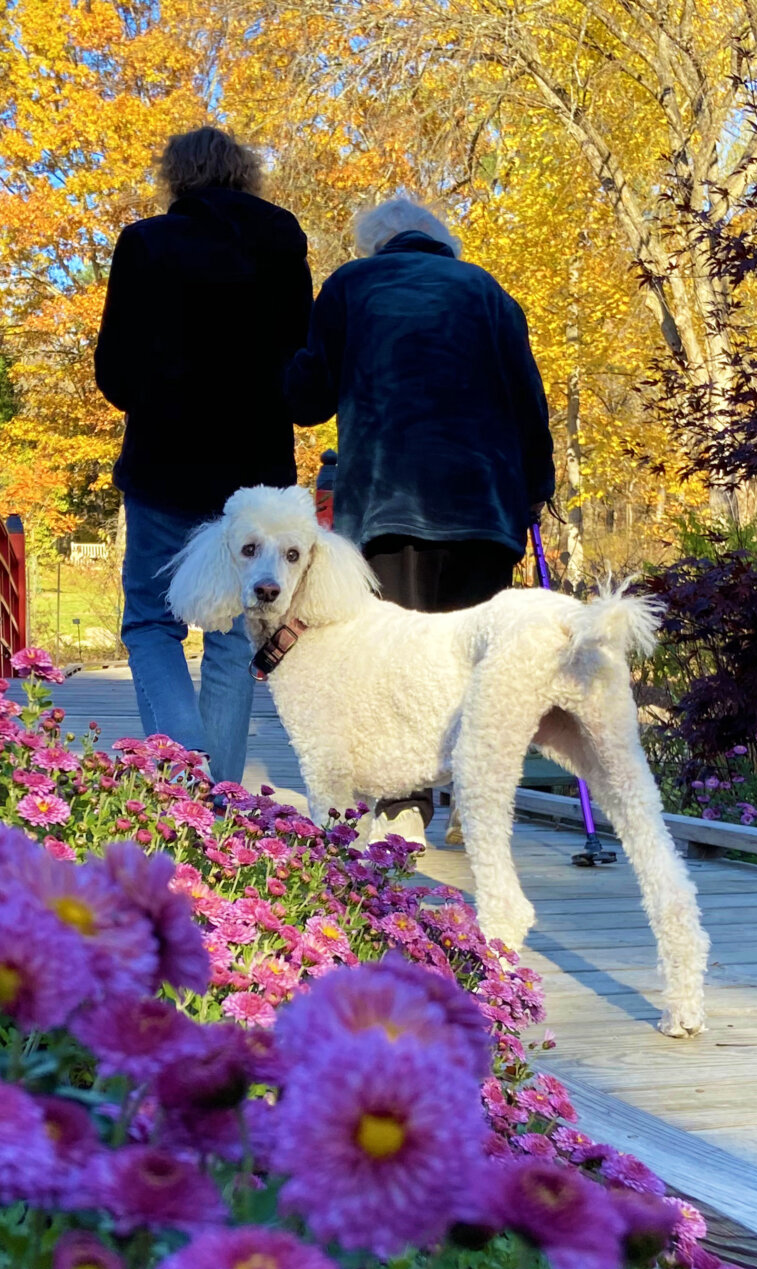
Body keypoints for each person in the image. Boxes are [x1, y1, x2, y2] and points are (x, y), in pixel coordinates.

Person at [284, 194, 555, 842]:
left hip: (385, 506)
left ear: (376, 245)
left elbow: (307, 397)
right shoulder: (487, 291)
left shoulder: (351, 286)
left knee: (396, 657)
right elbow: (529, 401)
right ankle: (476, 796)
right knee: (471, 657)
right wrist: (535, 491)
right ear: (443, 244)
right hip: (482, 508)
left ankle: (405, 803)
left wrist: (288, 351)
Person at [94, 127, 313, 786]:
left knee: (151, 621)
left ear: (176, 176)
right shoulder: (283, 240)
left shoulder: (146, 244)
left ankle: (181, 769)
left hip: (166, 461)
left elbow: (114, 372)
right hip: (256, 472)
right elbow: (302, 365)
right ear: (245, 173)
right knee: (233, 634)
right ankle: (218, 794)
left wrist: (151, 394)